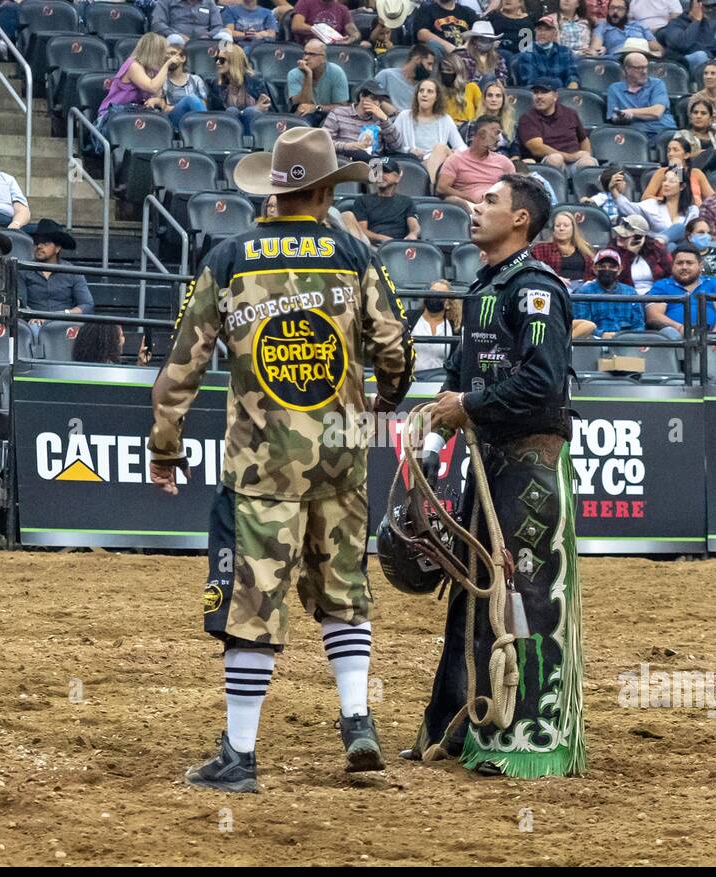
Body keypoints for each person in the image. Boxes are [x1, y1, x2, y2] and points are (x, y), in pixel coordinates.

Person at [152, 126, 413, 792]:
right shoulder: (355, 255)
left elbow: (184, 363)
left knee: (254, 602)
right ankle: (357, 718)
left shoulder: (230, 257)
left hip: (260, 464)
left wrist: (166, 443)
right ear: (326, 192)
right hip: (340, 454)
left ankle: (240, 755)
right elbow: (394, 346)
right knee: (345, 591)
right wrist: (384, 397)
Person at [406, 172, 584, 779]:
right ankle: (457, 725)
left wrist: (468, 410)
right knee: (477, 588)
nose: (475, 208)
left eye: (489, 201)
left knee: (523, 591)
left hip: (527, 462)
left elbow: (541, 379)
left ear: (520, 221)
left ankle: (523, 738)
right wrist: (436, 433)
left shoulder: (534, 289)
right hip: (492, 459)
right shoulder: (486, 287)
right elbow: (460, 373)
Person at [645, 242, 716, 332]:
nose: (684, 267)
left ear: (700, 266)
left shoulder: (713, 284)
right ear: (672, 266)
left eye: (689, 263)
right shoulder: (661, 286)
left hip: (711, 336)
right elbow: (654, 315)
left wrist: (715, 337)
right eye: (679, 263)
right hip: (673, 339)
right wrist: (682, 329)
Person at [17, 218, 93, 316]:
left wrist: (65, 314)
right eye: (37, 242)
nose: (39, 246)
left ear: (57, 248)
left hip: (64, 322)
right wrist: (33, 315)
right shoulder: (24, 269)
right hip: (33, 323)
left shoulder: (72, 272)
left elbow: (87, 304)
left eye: (45, 243)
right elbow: (20, 302)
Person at [519, 77, 597, 170]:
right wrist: (569, 157)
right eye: (536, 92)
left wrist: (586, 154)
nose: (539, 96)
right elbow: (537, 148)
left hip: (574, 162)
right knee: (555, 158)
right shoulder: (527, 118)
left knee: (587, 161)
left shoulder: (570, 113)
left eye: (544, 92)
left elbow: (583, 139)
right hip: (547, 164)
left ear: (555, 96)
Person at [95, 32, 169, 129]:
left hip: (135, 117)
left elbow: (159, 97)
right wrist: (167, 65)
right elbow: (152, 87)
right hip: (112, 117)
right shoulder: (133, 65)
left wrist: (156, 100)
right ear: (154, 52)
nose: (166, 56)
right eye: (163, 52)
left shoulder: (154, 70)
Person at [396, 78, 467, 177]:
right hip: (414, 162)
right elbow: (393, 145)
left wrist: (453, 153)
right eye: (421, 91)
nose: (424, 94)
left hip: (440, 162)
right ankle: (431, 187)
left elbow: (461, 147)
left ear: (437, 97)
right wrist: (409, 150)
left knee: (441, 149)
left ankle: (431, 184)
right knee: (441, 149)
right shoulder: (404, 116)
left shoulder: (445, 119)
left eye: (429, 92)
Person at [612, 163, 698, 244]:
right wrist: (613, 190)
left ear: (682, 186)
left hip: (682, 254)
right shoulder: (652, 205)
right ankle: (657, 245)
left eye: (671, 181)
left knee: (678, 233)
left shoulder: (692, 211)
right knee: (671, 244)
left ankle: (658, 244)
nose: (665, 184)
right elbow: (627, 208)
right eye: (664, 180)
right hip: (657, 255)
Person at [571, 246, 645, 335]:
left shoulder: (631, 293)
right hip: (596, 342)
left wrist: (635, 339)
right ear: (594, 269)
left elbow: (638, 325)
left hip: (626, 341)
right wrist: (601, 334)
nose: (607, 269)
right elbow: (582, 326)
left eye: (612, 266)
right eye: (602, 266)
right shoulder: (583, 293)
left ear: (619, 270)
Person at [324, 81, 403, 162]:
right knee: (360, 155)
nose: (377, 103)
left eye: (380, 101)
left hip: (375, 164)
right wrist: (347, 146)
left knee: (408, 158)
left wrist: (385, 120)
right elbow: (323, 143)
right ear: (362, 96)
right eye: (373, 98)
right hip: (346, 162)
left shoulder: (381, 121)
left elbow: (397, 147)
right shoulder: (338, 113)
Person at [607, 50, 676, 140]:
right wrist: (621, 117)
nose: (644, 72)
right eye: (639, 68)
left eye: (645, 67)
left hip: (662, 132)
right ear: (627, 69)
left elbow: (657, 112)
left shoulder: (657, 84)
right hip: (634, 135)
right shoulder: (615, 89)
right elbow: (613, 117)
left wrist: (630, 112)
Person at [355, 156, 419, 244]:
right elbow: (362, 231)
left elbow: (414, 225)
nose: (380, 175)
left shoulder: (407, 201)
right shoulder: (362, 200)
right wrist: (383, 239)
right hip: (373, 246)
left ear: (397, 177)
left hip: (400, 246)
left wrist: (413, 234)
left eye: (385, 171)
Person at [605, 213, 672, 291]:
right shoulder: (611, 251)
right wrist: (630, 254)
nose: (619, 237)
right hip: (627, 296)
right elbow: (617, 279)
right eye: (619, 234)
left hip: (656, 295)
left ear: (638, 237)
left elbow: (670, 273)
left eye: (624, 236)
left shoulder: (655, 248)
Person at [288, 39, 350, 123]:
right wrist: (308, 75)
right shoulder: (294, 74)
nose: (306, 58)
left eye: (312, 54)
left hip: (331, 115)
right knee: (303, 119)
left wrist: (316, 108)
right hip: (305, 116)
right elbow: (303, 105)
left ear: (323, 58)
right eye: (305, 53)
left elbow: (342, 108)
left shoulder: (337, 72)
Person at [658, 0, 716, 73]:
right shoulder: (675, 24)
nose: (710, 10)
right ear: (695, 6)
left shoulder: (713, 24)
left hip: (713, 62)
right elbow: (683, 44)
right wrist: (696, 21)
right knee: (700, 55)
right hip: (684, 65)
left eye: (712, 7)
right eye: (707, 6)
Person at [512, 15, 581, 88]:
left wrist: (573, 85)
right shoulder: (527, 52)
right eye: (539, 29)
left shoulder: (565, 52)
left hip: (562, 95)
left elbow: (572, 75)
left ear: (555, 33)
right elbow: (530, 82)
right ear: (535, 32)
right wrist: (557, 84)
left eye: (547, 29)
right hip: (537, 94)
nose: (542, 33)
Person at [531, 208, 596, 284]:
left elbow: (594, 274)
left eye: (566, 225)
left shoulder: (586, 249)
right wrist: (553, 279)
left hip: (583, 291)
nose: (561, 228)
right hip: (553, 288)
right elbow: (534, 273)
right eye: (558, 226)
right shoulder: (541, 249)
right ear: (553, 229)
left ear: (573, 228)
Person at [155, 42, 209, 127]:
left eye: (172, 53)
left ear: (183, 58)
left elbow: (202, 105)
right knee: (190, 99)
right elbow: (165, 109)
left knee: (191, 100)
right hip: (173, 120)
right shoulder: (162, 80)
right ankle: (209, 130)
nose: (168, 57)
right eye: (166, 55)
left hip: (194, 119)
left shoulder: (196, 79)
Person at [410, 278, 456, 373]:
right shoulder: (409, 318)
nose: (435, 296)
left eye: (441, 294)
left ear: (448, 303)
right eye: (433, 292)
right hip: (411, 379)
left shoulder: (455, 327)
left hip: (441, 380)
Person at [375, 43, 435, 112]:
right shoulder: (387, 75)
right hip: (389, 120)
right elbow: (370, 97)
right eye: (429, 64)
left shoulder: (424, 86)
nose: (431, 69)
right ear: (417, 59)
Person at [679, 96, 716, 170]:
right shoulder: (682, 135)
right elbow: (675, 160)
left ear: (710, 118)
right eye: (695, 112)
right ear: (690, 117)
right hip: (690, 172)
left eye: (703, 113)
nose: (698, 116)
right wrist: (695, 155)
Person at [593, 0, 661, 59]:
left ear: (627, 11)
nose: (615, 11)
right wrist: (597, 52)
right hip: (616, 62)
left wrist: (650, 55)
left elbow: (658, 50)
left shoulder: (640, 25)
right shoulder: (602, 26)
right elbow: (595, 47)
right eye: (612, 8)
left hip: (643, 59)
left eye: (620, 8)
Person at [457, 21, 510, 87]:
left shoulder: (498, 58)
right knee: (490, 78)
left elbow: (503, 78)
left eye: (490, 40)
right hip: (471, 93)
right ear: (474, 40)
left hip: (493, 93)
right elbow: (466, 83)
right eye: (483, 39)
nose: (487, 43)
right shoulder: (464, 57)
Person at [150, 0, 225, 44]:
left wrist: (209, 35)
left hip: (205, 41)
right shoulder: (166, 2)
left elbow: (218, 26)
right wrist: (177, 34)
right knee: (175, 39)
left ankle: (223, 68)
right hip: (177, 39)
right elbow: (157, 24)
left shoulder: (209, 3)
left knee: (225, 37)